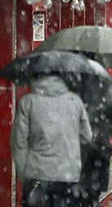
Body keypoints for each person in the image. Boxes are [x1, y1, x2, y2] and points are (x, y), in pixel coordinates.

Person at [11, 74, 92, 207]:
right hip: (67, 175)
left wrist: (23, 172)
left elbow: (19, 142)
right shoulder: (74, 101)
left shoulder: (28, 101)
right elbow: (86, 136)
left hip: (37, 174)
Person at [77, 63, 112, 206]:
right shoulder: (107, 83)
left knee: (75, 189)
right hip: (100, 143)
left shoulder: (72, 82)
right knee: (93, 189)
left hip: (75, 144)